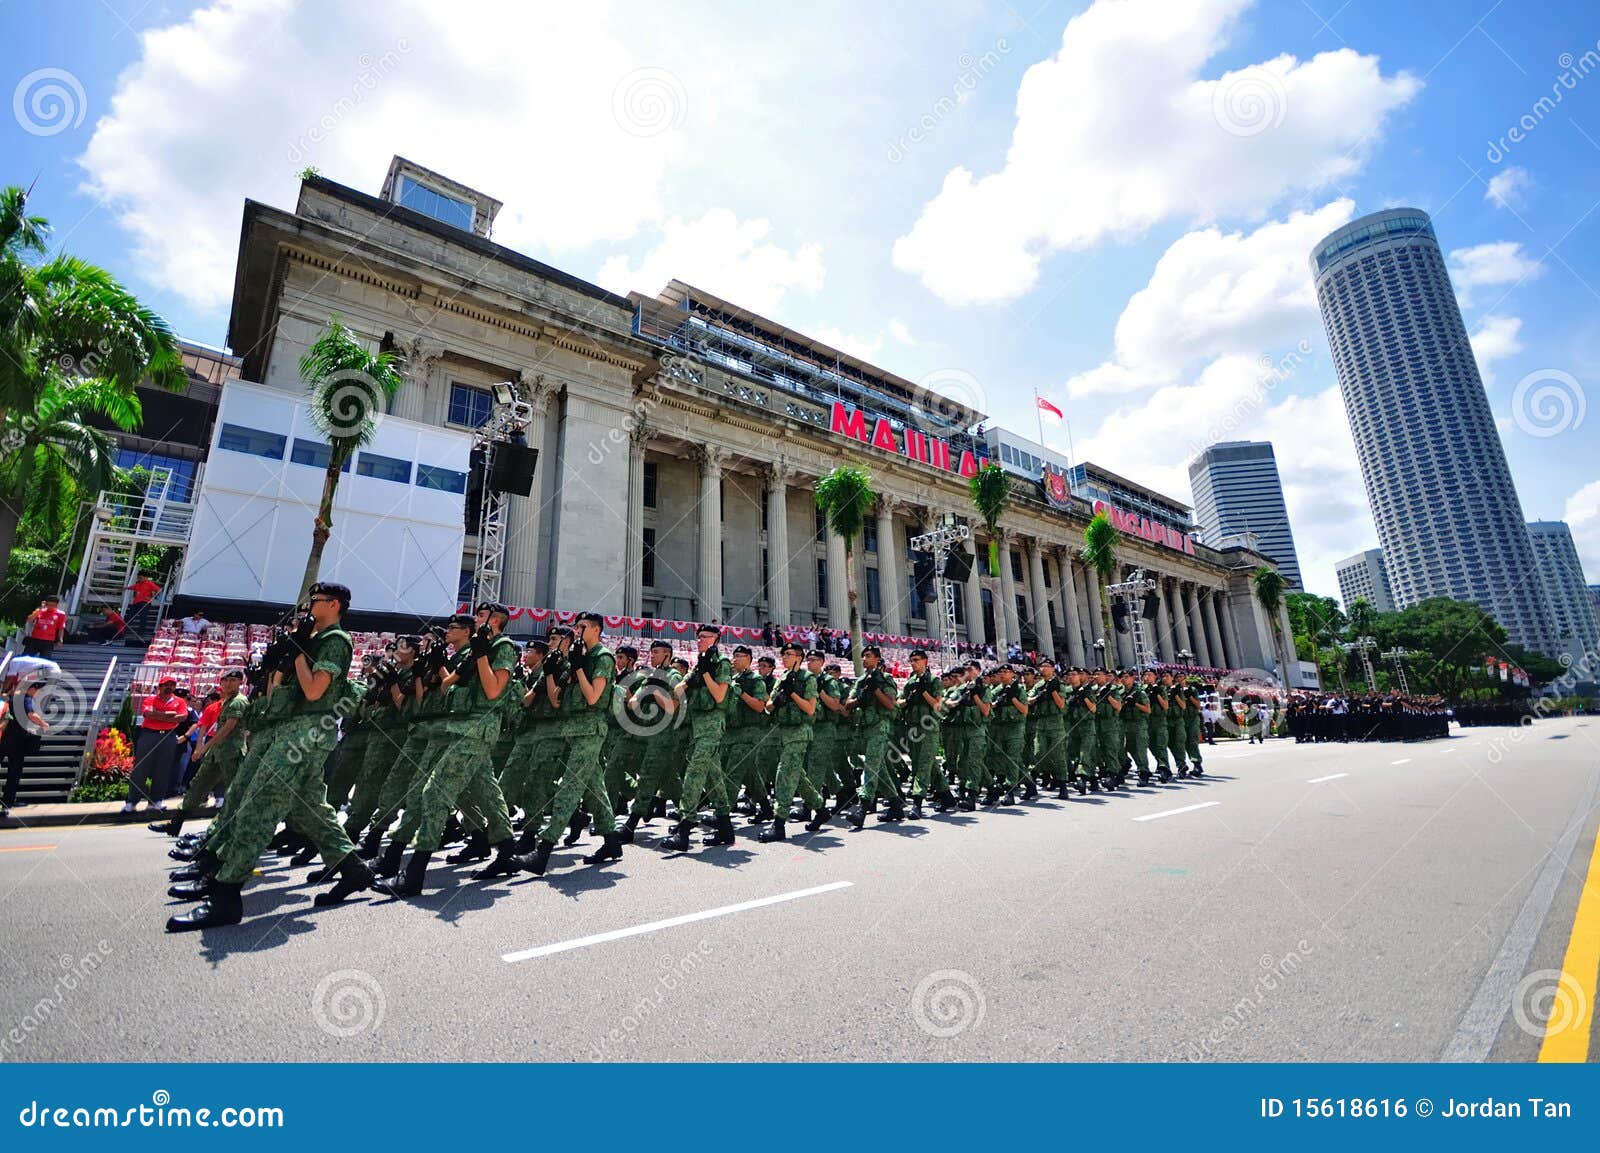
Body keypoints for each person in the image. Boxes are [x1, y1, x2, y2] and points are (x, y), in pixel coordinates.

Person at [166, 583, 373, 932]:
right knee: (312, 810)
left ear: (334, 605)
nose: (311, 605)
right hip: (294, 729)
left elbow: (314, 690)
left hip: (305, 732)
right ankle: (354, 870)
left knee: (259, 807)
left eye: (317, 601)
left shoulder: (336, 641)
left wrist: (296, 654)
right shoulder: (317, 639)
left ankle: (226, 895)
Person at [514, 610, 619, 876]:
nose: (578, 630)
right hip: (574, 728)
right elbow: (556, 699)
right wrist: (551, 673)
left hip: (590, 727)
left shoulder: (602, 657)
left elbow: (594, 697)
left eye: (583, 626)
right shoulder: (578, 657)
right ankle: (612, 842)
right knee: (594, 787)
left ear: (596, 629)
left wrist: (580, 669)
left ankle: (544, 850)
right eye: (577, 626)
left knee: (569, 787)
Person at [661, 624, 733, 852]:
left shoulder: (721, 664)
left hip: (712, 724)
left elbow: (720, 695)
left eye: (705, 637)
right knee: (714, 777)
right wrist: (687, 681)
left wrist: (705, 675)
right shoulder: (701, 663)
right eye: (698, 637)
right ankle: (725, 826)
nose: (700, 640)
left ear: (717, 638)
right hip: (698, 725)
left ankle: (685, 828)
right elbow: (678, 691)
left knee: (694, 773)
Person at [152, 671, 247, 838]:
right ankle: (175, 824)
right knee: (197, 786)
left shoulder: (238, 702)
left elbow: (227, 729)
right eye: (226, 681)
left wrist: (204, 747)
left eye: (233, 680)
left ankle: (232, 832)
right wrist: (203, 748)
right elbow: (205, 726)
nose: (228, 684)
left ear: (240, 682)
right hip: (217, 753)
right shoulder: (225, 702)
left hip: (232, 753)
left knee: (235, 792)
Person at [757, 642, 819, 842]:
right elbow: (767, 707)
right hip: (782, 732)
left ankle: (779, 823)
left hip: (799, 732)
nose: (784, 656)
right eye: (783, 653)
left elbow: (810, 709)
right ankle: (820, 808)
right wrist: (777, 701)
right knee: (796, 775)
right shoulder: (782, 678)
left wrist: (792, 694)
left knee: (784, 774)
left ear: (799, 657)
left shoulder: (808, 678)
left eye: (789, 654)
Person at [124, 677, 185, 813]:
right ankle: (132, 801)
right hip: (149, 734)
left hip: (168, 735)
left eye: (172, 685)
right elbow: (148, 714)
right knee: (141, 769)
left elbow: (182, 717)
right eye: (166, 685)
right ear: (160, 686)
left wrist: (159, 715)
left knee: (163, 769)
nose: (169, 688)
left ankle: (156, 800)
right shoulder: (151, 699)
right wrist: (169, 715)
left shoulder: (179, 701)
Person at [0, 674, 48, 817]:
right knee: (14, 771)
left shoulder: (14, 698)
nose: (38, 692)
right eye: (37, 689)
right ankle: (8, 800)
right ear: (32, 689)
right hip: (17, 742)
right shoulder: (27, 699)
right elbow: (31, 715)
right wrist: (44, 724)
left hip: (4, 739)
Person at [125, 574, 162, 640]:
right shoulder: (138, 584)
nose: (140, 579)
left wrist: (153, 596)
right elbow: (131, 587)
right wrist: (124, 588)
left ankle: (141, 633)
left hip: (145, 603)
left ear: (145, 577)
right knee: (129, 616)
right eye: (139, 578)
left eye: (141, 578)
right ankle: (124, 630)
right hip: (136, 602)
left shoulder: (149, 583)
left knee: (143, 617)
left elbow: (158, 589)